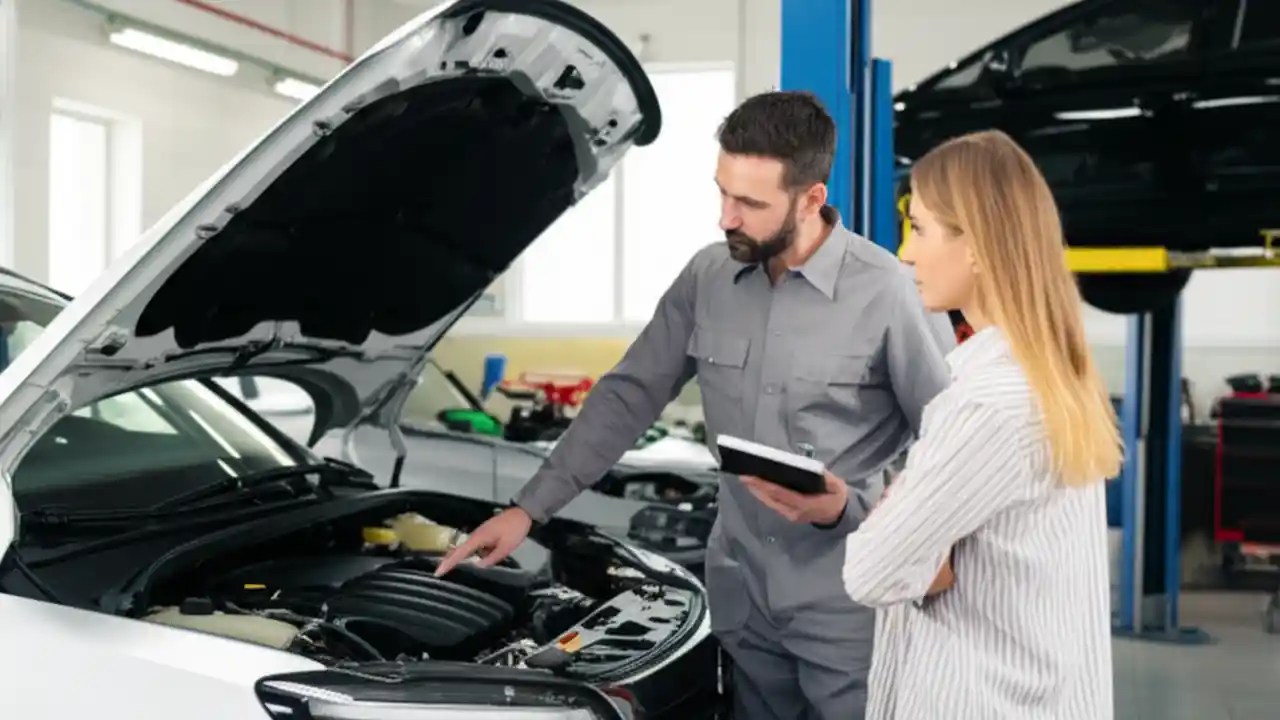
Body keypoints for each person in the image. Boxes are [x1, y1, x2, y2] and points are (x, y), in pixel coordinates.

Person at [435, 90, 953, 719]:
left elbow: (950, 448)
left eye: (750, 203)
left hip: (849, 600)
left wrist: (861, 510)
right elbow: (630, 396)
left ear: (812, 199)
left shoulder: (891, 293)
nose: (726, 218)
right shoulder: (708, 278)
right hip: (740, 589)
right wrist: (528, 510)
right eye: (723, 192)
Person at [839, 129, 1119, 718]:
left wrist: (905, 527)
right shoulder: (1054, 378)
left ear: (978, 245)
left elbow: (871, 572)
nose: (905, 253)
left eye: (919, 228)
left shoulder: (988, 405)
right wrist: (921, 544)